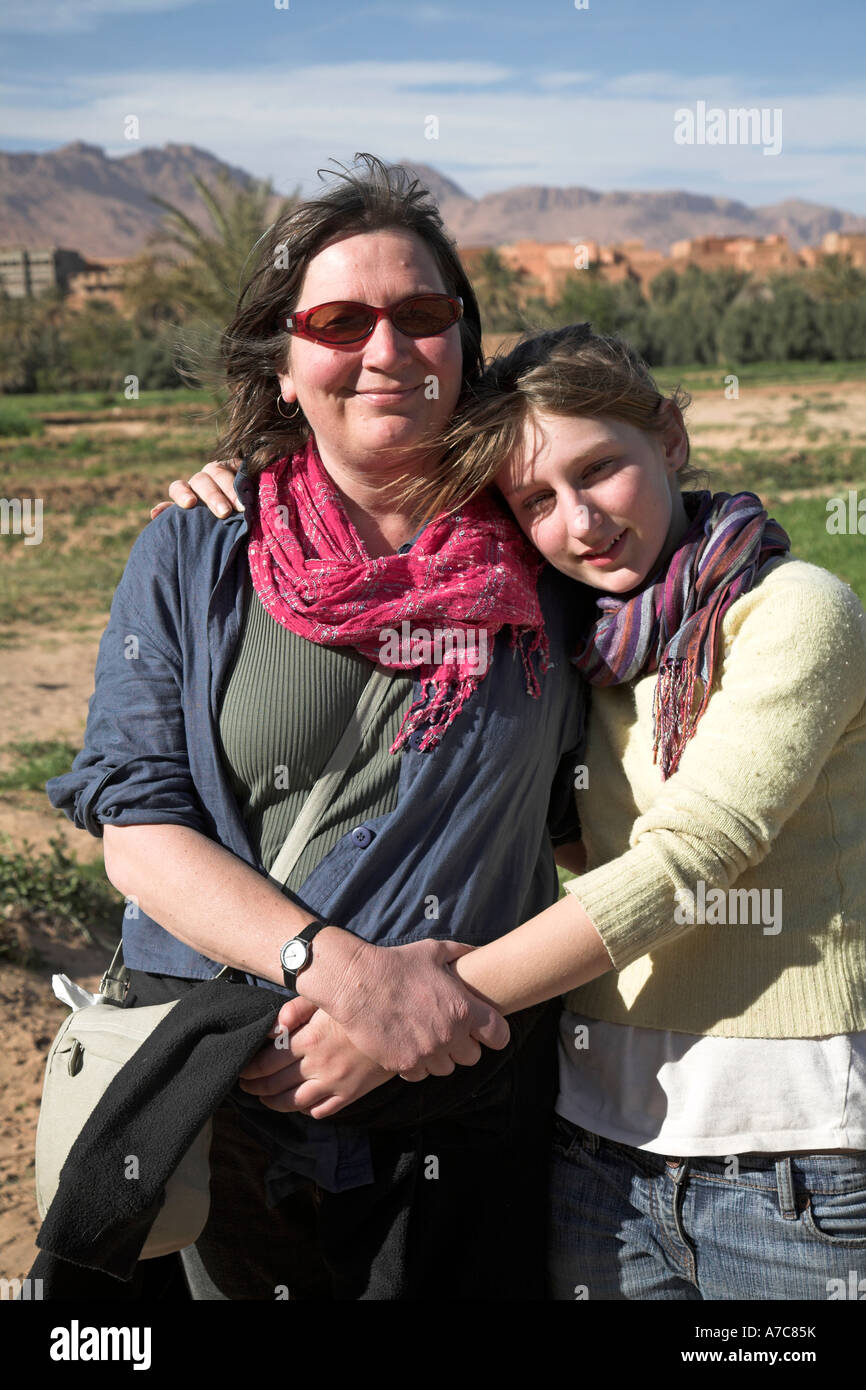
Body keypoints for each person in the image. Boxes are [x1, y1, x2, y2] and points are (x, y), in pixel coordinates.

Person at [196, 323, 866, 1302]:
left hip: (789, 1168)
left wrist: (413, 1009)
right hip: (599, 1159)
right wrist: (243, 487)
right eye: (535, 501)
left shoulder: (791, 613)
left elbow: (690, 854)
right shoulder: (569, 640)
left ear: (669, 438)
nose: (580, 522)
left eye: (599, 470)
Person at [46, 157, 588, 1302]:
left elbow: (598, 834)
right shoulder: (198, 552)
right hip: (222, 1102)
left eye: (422, 315)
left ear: (463, 345)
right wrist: (339, 973)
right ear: (284, 366)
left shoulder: (548, 549)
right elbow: (137, 828)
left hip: (464, 1100)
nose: (386, 349)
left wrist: (414, 1010)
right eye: (339, 321)